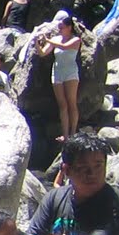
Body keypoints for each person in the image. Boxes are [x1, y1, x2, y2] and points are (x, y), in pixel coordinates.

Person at [35, 10, 83, 140]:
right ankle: (65, 134)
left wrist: (48, 40)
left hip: (71, 73)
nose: (60, 29)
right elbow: (43, 53)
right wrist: (37, 44)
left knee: (71, 102)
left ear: (69, 27)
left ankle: (73, 132)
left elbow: (64, 46)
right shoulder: (55, 40)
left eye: (62, 27)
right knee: (62, 105)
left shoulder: (76, 40)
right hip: (57, 72)